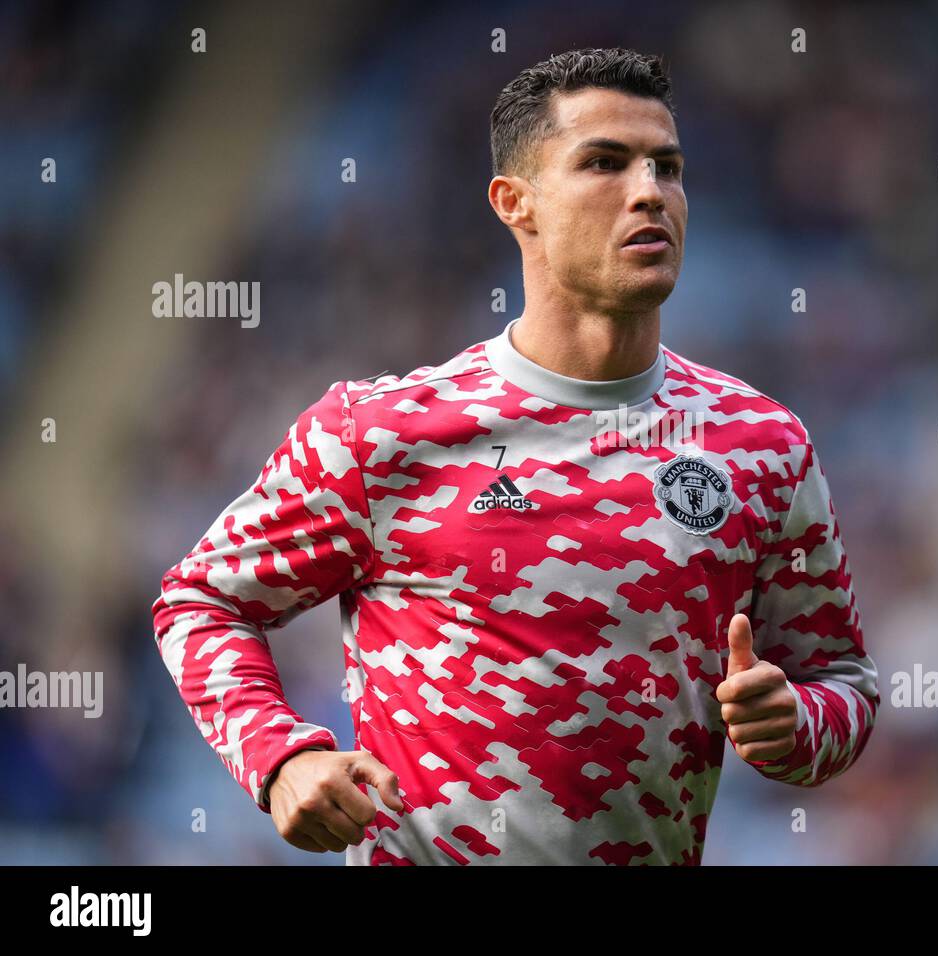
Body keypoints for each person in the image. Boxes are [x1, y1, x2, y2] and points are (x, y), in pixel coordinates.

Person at [152, 47, 879, 865]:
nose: (650, 192)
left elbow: (842, 680)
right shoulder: (380, 432)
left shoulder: (760, 444)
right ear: (515, 203)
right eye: (604, 163)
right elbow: (202, 600)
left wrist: (799, 725)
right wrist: (281, 756)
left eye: (667, 168)